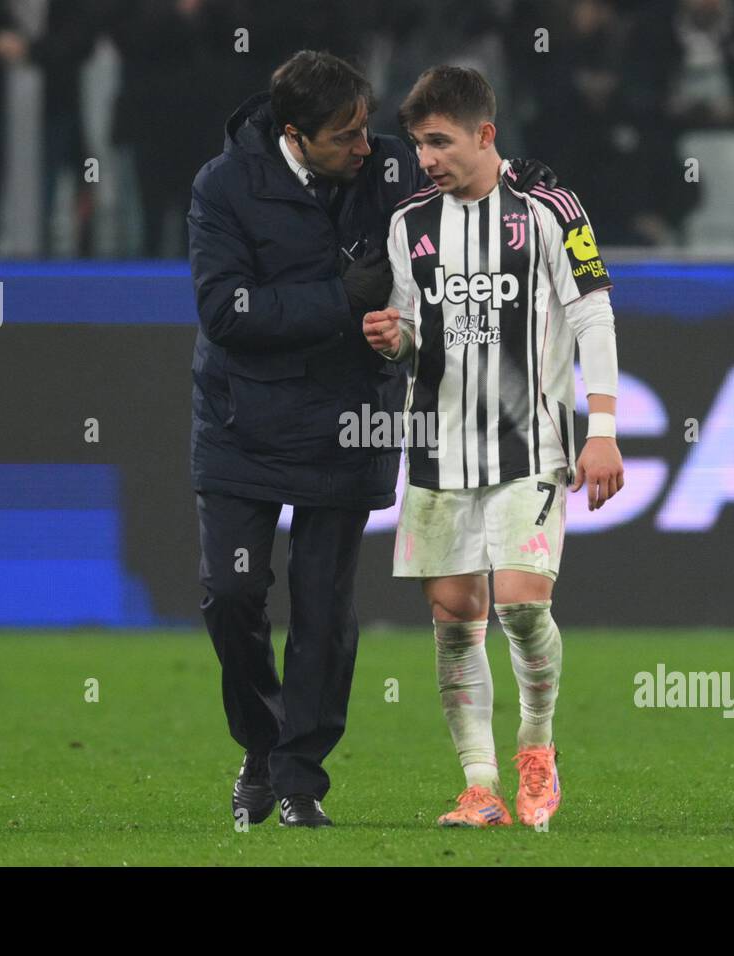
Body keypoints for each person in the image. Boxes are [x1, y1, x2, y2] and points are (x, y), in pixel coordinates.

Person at [187, 51, 558, 828]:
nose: (369, 149)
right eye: (347, 137)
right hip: (241, 426)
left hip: (349, 420)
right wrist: (341, 298)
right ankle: (260, 743)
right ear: (295, 136)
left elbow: (466, 163)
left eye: (368, 129)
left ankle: (297, 779)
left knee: (322, 606)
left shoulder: (387, 169)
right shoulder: (223, 188)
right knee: (234, 594)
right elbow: (227, 313)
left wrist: (525, 174)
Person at [362, 65, 624, 827]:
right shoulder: (408, 221)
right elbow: (413, 332)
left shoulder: (550, 208)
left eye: (440, 142)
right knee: (453, 618)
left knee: (521, 607)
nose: (427, 159)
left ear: (486, 134)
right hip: (439, 450)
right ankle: (479, 787)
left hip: (530, 448)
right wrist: (392, 337)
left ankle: (536, 751)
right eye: (418, 145)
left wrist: (600, 432)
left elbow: (593, 318)